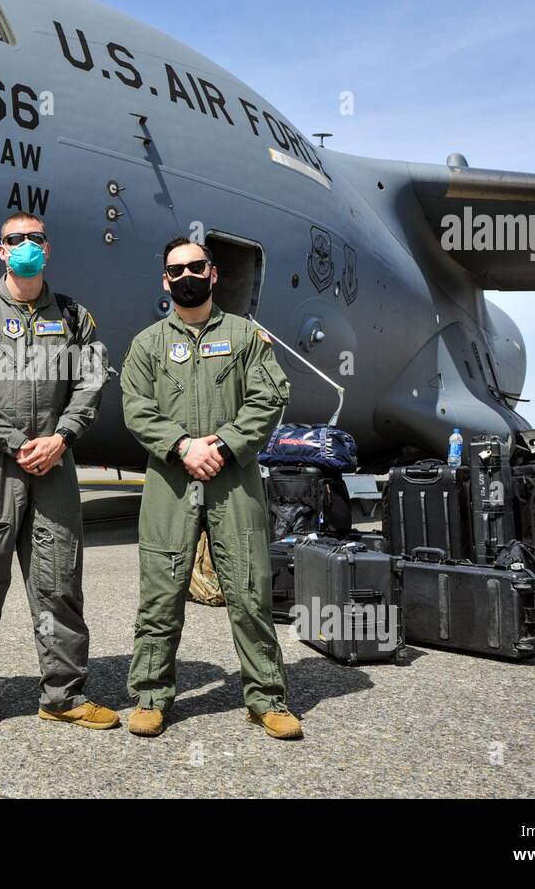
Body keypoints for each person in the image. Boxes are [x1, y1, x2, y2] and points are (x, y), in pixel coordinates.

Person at [0, 212, 117, 736]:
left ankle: (63, 694)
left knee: (58, 582)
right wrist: (18, 442)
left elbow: (91, 380)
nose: (25, 247)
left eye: (34, 239)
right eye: (14, 240)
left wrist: (62, 436)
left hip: (54, 463)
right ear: (1, 251)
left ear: (48, 247)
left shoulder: (73, 316)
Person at [119, 237, 302, 739]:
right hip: (171, 480)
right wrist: (182, 446)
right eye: (175, 270)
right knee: (161, 589)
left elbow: (269, 397)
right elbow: (136, 408)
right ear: (165, 280)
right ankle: (152, 696)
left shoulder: (245, 337)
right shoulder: (148, 345)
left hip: (233, 479)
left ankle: (266, 698)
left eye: (195, 267)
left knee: (249, 588)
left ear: (213, 273)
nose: (186, 277)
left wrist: (222, 445)